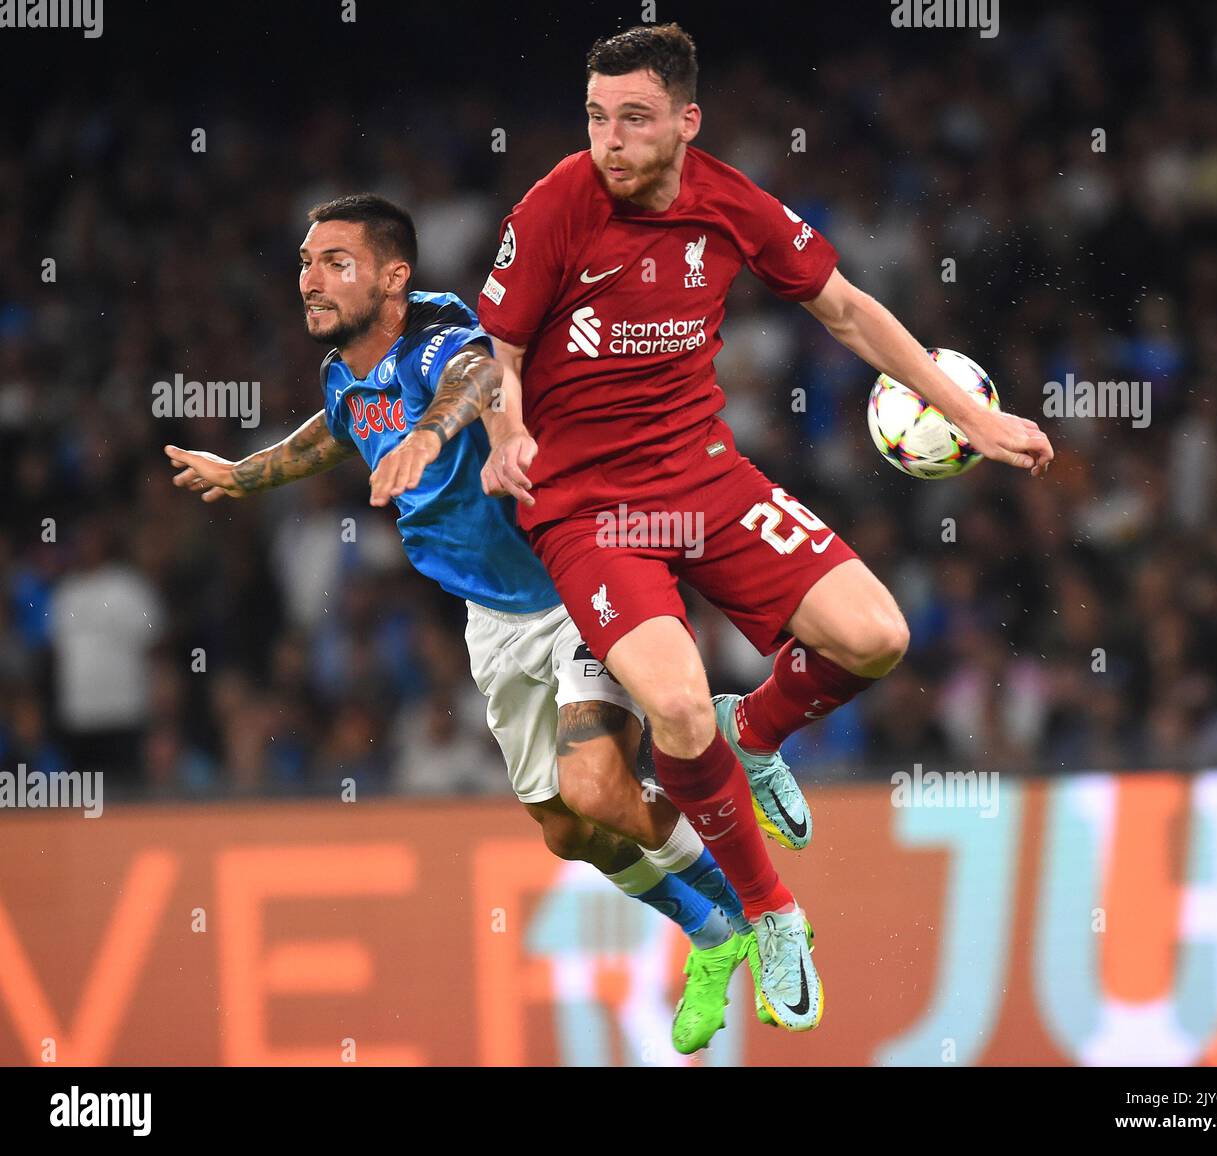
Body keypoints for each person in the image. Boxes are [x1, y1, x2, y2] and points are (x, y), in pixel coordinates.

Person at [476, 23, 1054, 1031]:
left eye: (635, 120)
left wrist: (970, 414)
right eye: (596, 118)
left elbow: (843, 309)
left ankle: (762, 729)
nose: (610, 141)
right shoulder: (559, 201)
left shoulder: (729, 202)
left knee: (877, 636)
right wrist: (506, 431)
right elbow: (498, 349)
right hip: (588, 511)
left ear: (686, 124)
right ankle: (769, 909)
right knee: (676, 711)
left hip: (705, 478)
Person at [164, 193, 762, 1054]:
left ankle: (751, 914)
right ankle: (709, 925)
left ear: (394, 276)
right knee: (565, 828)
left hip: (580, 577)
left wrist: (435, 436)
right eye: (304, 262)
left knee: (598, 787)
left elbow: (479, 377)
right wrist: (245, 474)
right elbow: (334, 433)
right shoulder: (344, 375)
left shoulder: (445, 332)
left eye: (335, 261)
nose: (310, 279)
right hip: (494, 617)